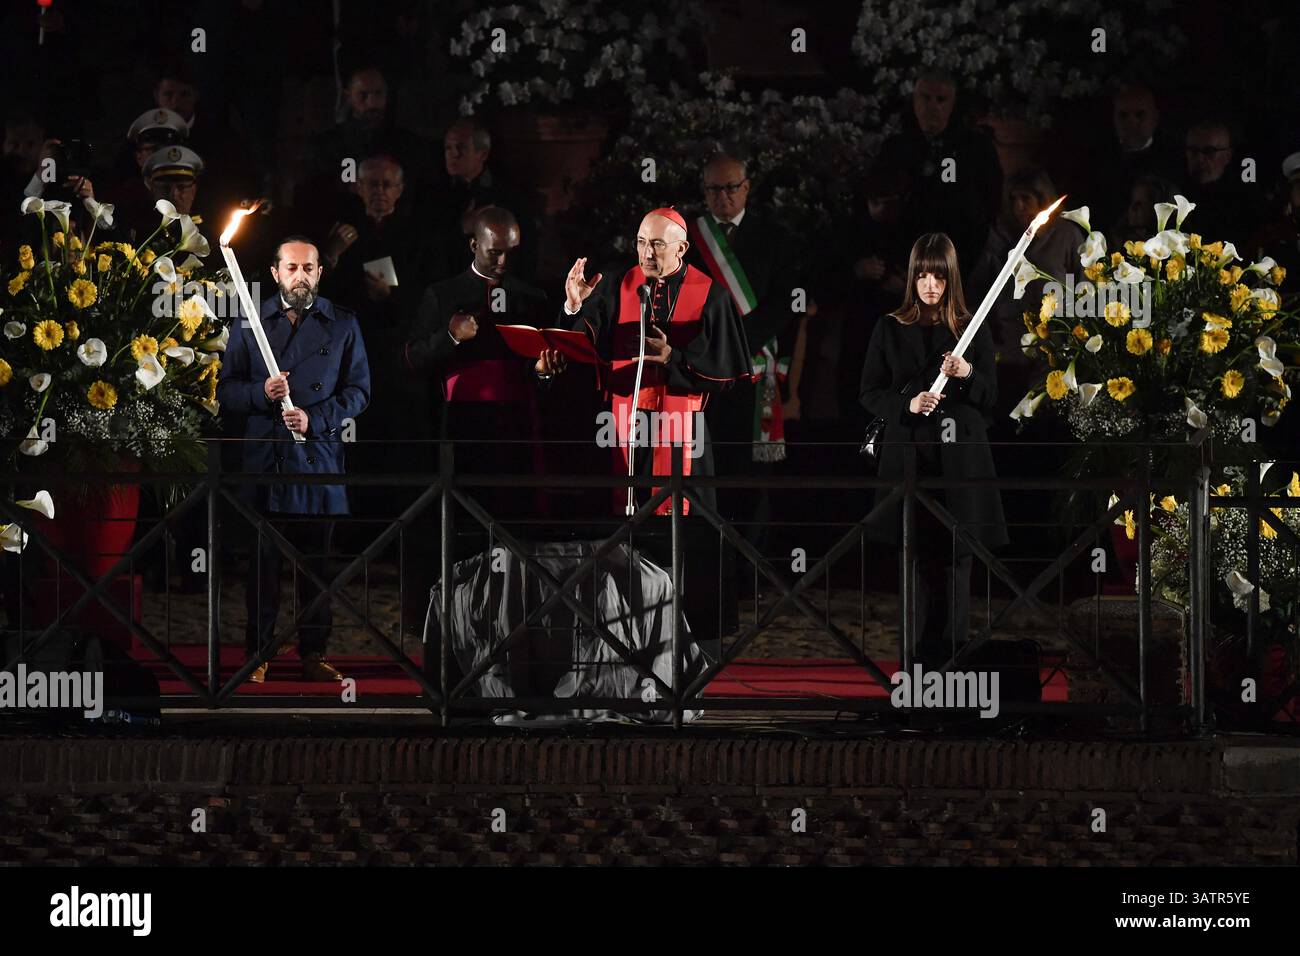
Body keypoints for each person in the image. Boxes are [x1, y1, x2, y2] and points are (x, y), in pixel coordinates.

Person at [215, 236, 371, 683]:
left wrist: (315, 418)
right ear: (275, 273)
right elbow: (225, 392)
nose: (300, 276)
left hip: (317, 459)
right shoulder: (250, 324)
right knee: (262, 566)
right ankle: (257, 653)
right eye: (292, 268)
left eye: (309, 268)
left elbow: (359, 391)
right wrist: (262, 395)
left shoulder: (343, 325)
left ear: (320, 272)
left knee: (317, 568)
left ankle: (313, 652)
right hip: (265, 460)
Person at [860, 233, 1008, 668]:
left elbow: (990, 397)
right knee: (915, 560)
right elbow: (869, 392)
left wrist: (965, 372)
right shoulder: (889, 326)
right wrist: (906, 404)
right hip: (910, 460)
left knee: (957, 561)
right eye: (922, 275)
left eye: (938, 276)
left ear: (951, 278)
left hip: (960, 463)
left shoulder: (970, 328)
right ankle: (914, 667)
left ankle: (953, 665)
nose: (929, 285)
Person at [967, 166, 1083, 419]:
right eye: (1013, 199)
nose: (1019, 207)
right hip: (1009, 347)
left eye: (1026, 199)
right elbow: (977, 290)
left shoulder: (1066, 235)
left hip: (1054, 345)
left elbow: (1086, 287)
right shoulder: (1000, 236)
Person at [876, 69, 1003, 266]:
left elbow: (991, 198)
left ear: (952, 104)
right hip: (906, 257)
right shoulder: (896, 148)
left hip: (961, 255)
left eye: (941, 99)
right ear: (915, 101)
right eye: (926, 98)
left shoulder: (976, 148)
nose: (932, 106)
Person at [1182, 117, 1265, 245]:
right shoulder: (1176, 190)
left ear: (1227, 156)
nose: (1199, 158)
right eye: (1193, 150)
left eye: (1209, 151)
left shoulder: (1243, 200)